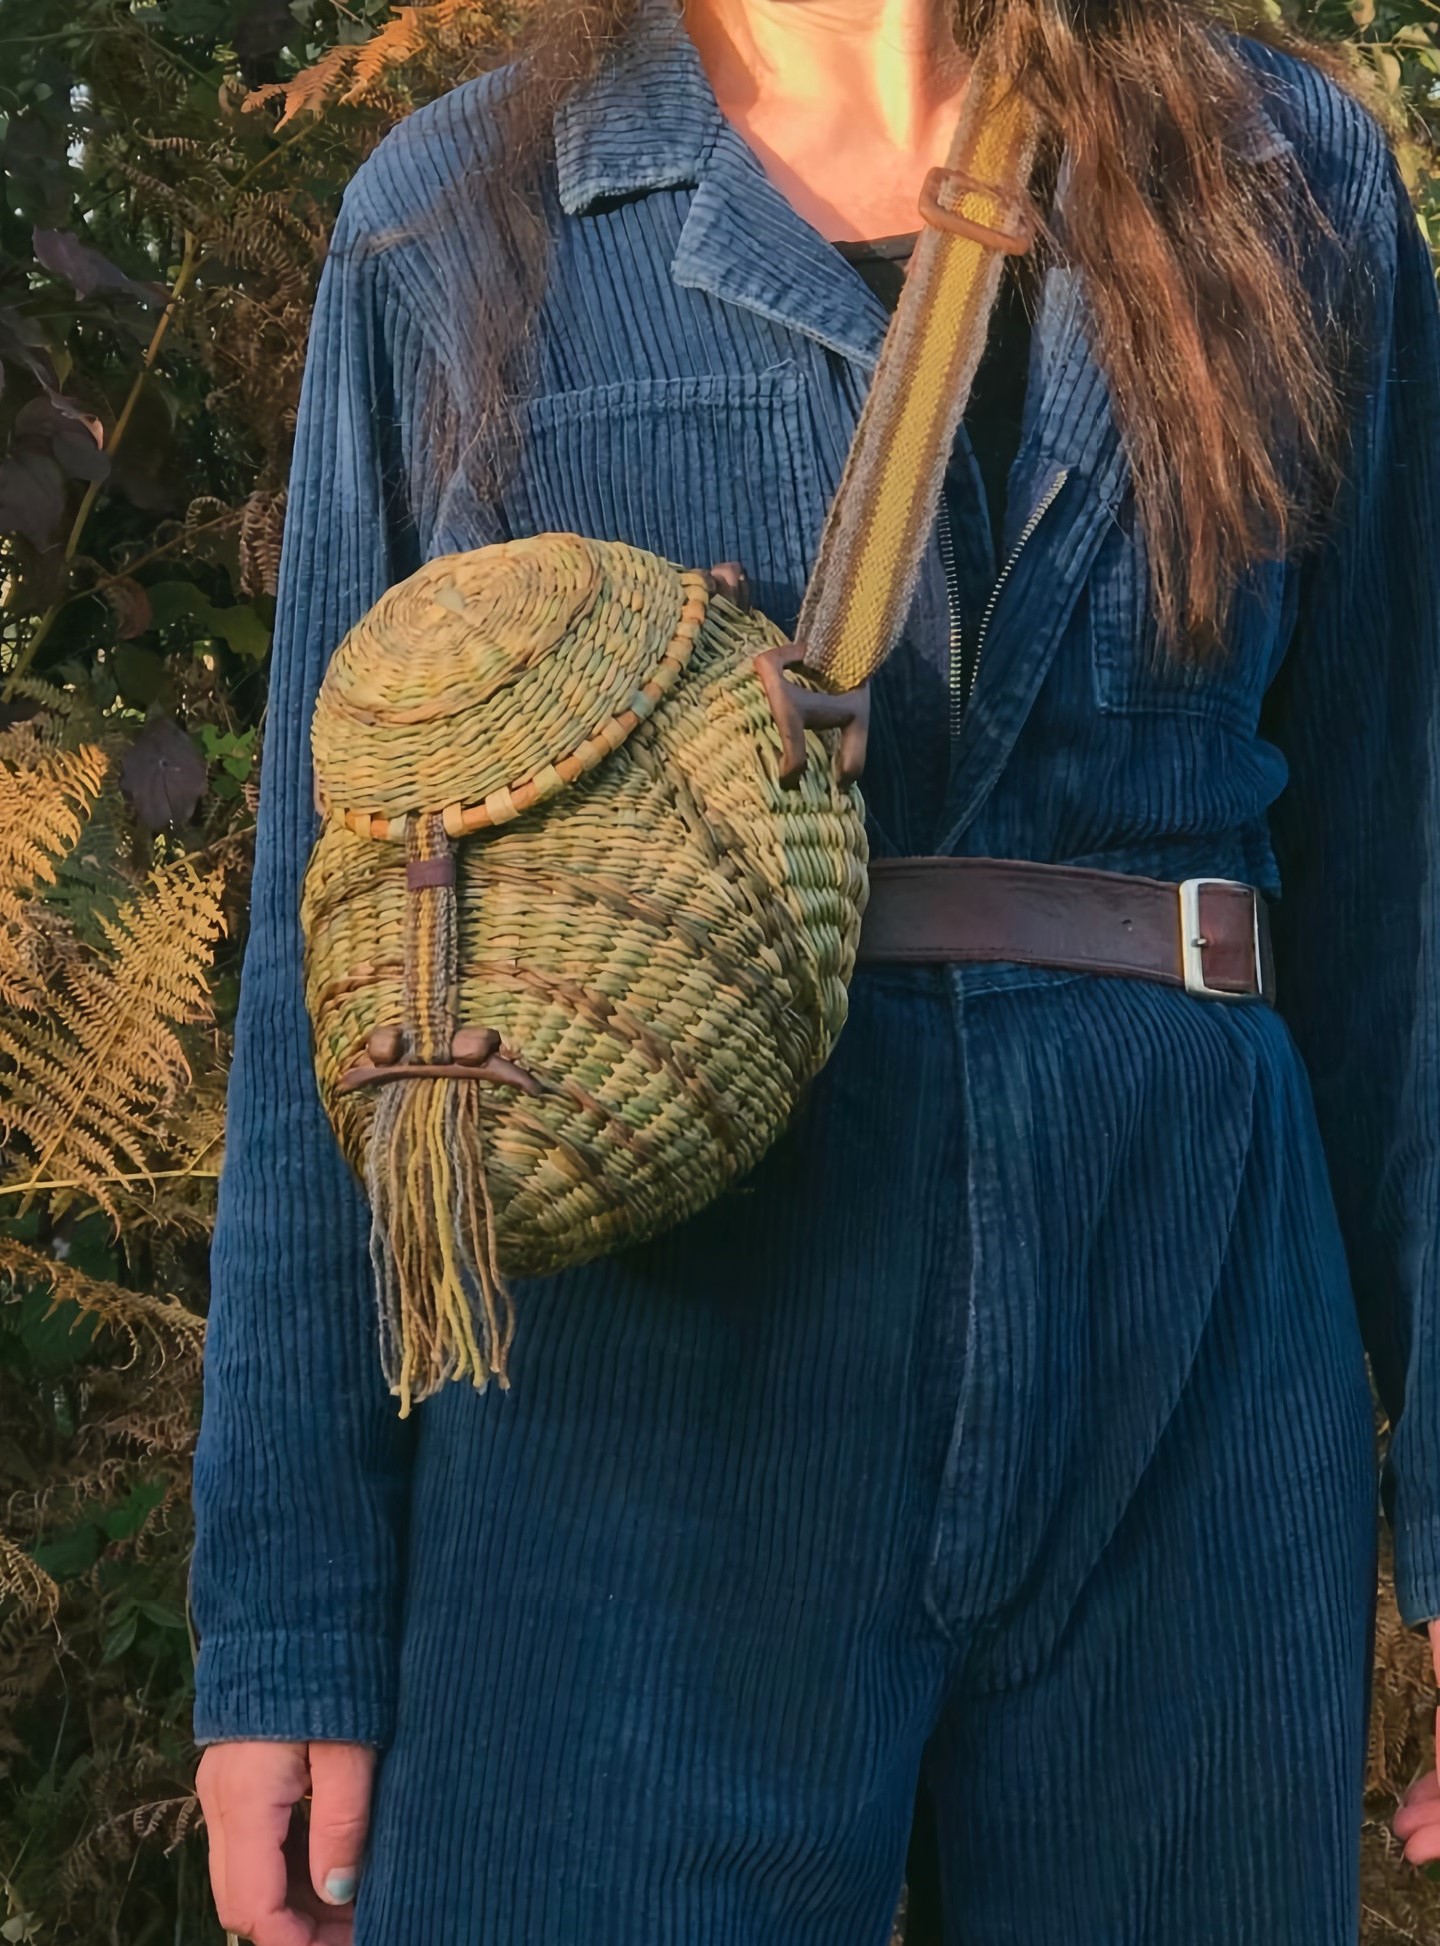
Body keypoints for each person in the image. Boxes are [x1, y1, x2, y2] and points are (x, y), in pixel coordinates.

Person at [191, 0, 1440, 1940]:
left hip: (1191, 1340)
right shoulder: (452, 225)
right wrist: (289, 1618)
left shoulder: (1287, 181)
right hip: (638, 1409)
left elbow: (1408, 888)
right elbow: (329, 983)